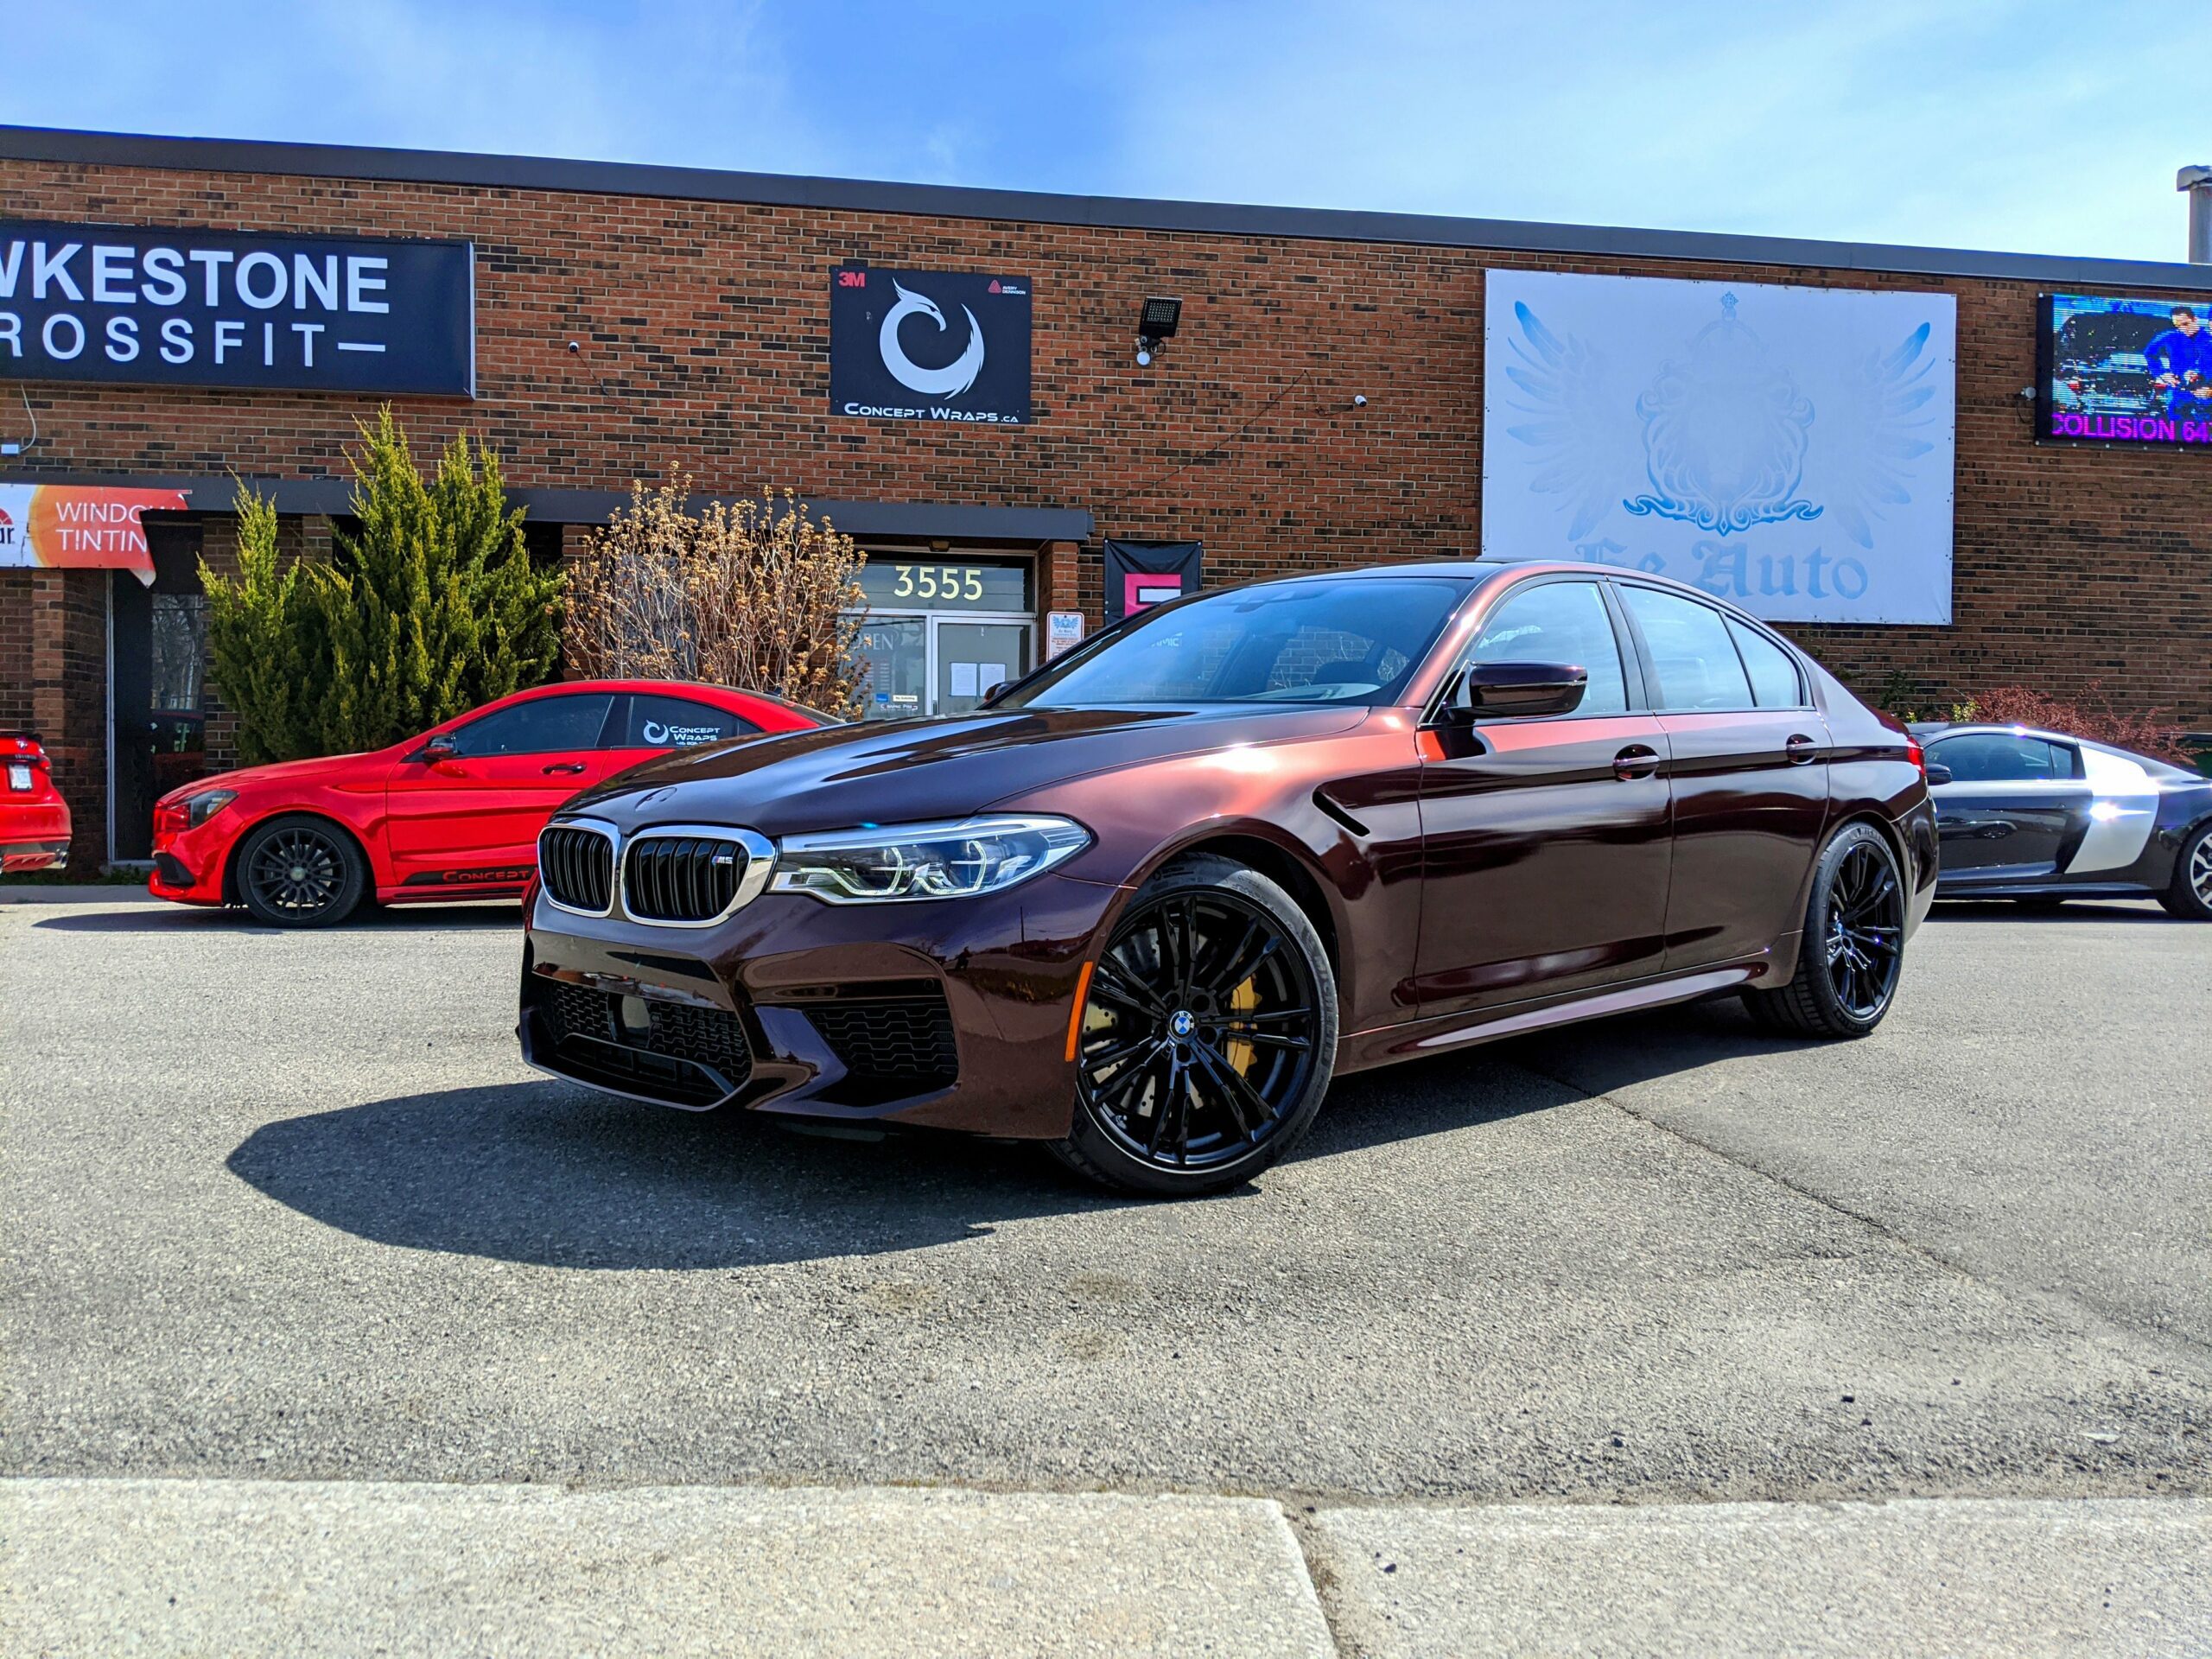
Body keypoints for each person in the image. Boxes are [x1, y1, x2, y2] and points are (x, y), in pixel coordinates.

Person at [2141, 304, 2212, 419]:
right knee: (2176, 427)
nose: (2183, 329)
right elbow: (2149, 353)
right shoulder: (2169, 337)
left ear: (2195, 319)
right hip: (2179, 394)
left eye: (2185, 324)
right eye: (2178, 326)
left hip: (2206, 396)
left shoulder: (2208, 338)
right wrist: (2162, 374)